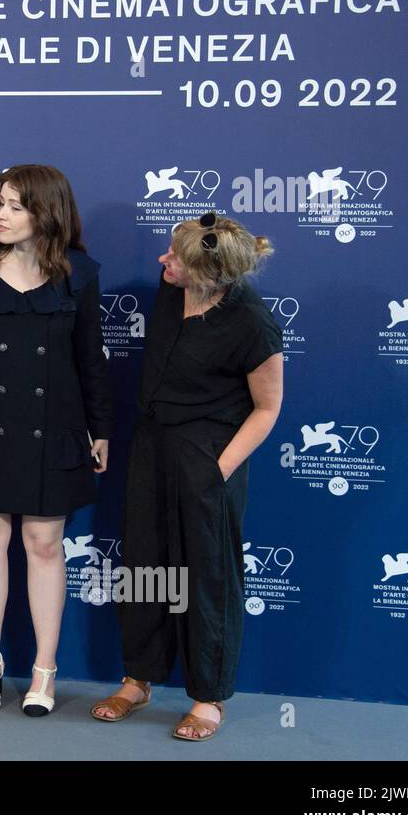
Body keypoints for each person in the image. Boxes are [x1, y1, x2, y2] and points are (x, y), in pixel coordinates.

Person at [90, 211, 283, 741]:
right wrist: (195, 232)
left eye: (173, 256)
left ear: (207, 273)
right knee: (146, 564)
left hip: (211, 454)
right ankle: (139, 679)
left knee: (207, 577)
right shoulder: (174, 287)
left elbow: (267, 409)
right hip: (153, 447)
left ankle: (208, 697)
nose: (162, 261)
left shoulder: (252, 320)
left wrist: (217, 471)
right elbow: (195, 239)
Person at [0, 165, 113, 717]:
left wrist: (102, 427)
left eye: (16, 206)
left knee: (44, 545)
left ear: (47, 211)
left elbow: (91, 359)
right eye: (1, 204)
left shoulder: (80, 276)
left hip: (57, 430)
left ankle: (44, 672)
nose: (2, 214)